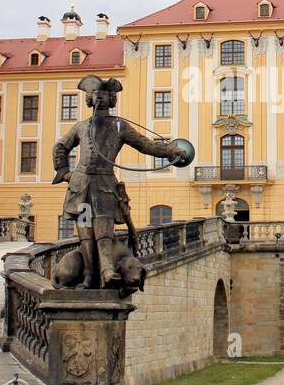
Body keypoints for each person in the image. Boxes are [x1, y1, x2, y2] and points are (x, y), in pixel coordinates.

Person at [52, 76, 185, 289]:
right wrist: (64, 172)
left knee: (104, 231)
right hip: (82, 186)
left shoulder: (119, 125)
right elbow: (61, 146)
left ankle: (107, 270)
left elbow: (145, 144)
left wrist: (171, 150)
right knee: (85, 234)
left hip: (104, 185)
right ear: (89, 99)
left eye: (104, 95)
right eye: (95, 95)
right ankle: (88, 276)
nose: (99, 99)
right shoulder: (81, 127)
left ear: (112, 98)